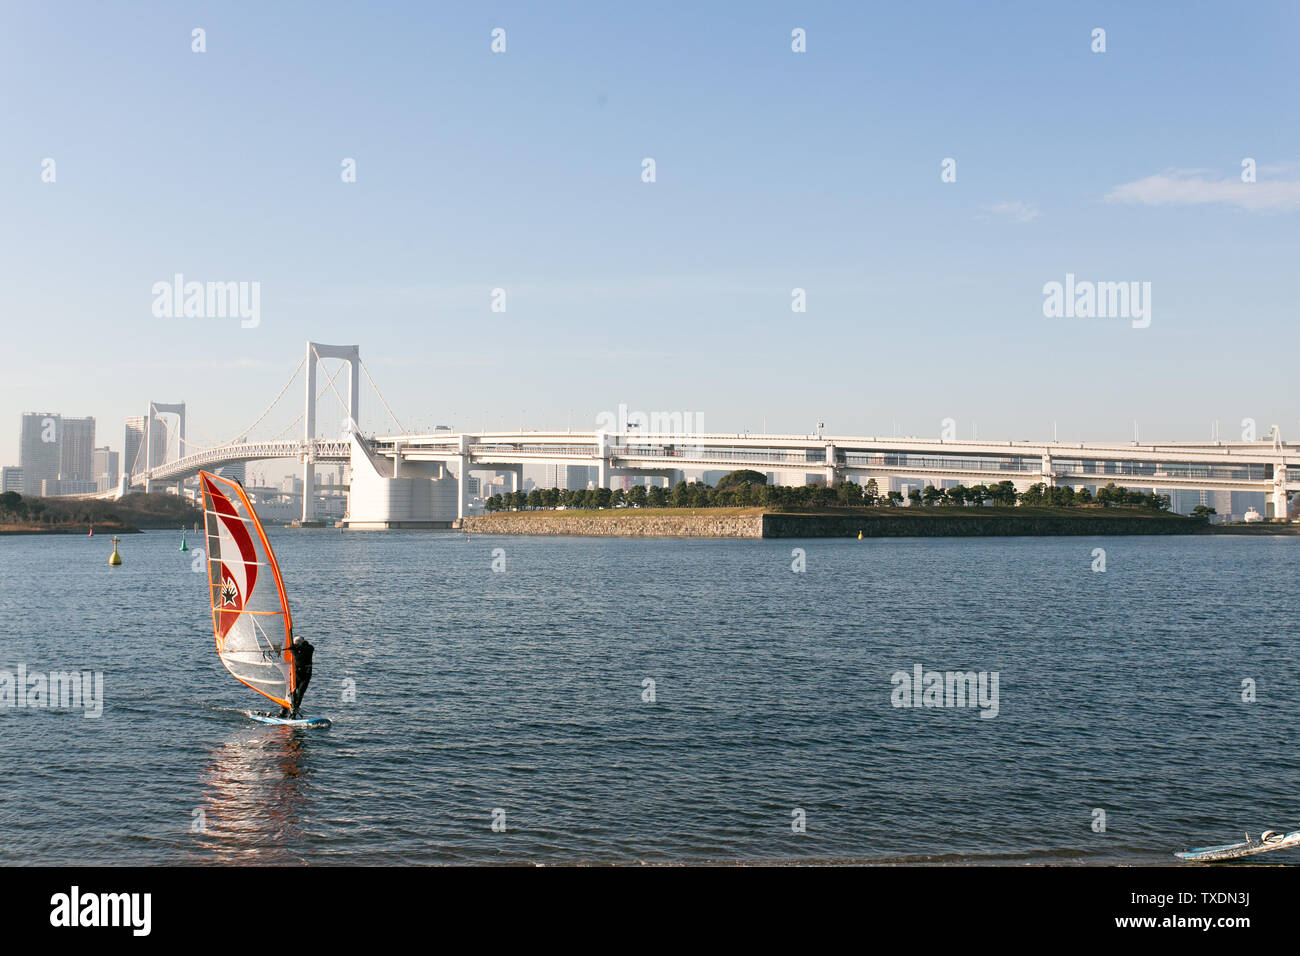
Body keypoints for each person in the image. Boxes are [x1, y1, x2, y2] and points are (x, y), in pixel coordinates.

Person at [277, 632, 314, 718]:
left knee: (300, 693)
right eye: (295, 643)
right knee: (290, 693)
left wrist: (295, 646)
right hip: (295, 675)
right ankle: (283, 710)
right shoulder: (294, 649)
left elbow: (304, 650)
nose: (296, 644)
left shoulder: (309, 648)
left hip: (305, 676)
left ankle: (293, 713)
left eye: (298, 642)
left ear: (302, 642)